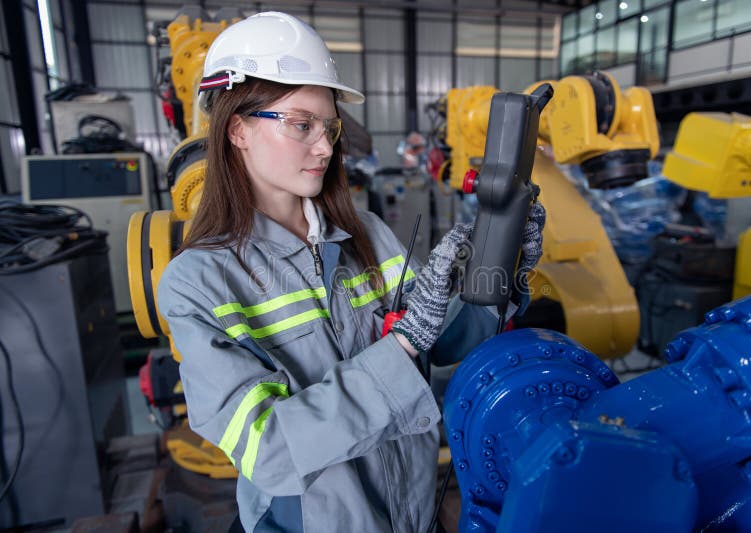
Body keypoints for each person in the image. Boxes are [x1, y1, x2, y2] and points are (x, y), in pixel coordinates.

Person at [157, 11, 546, 533]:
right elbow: (268, 449)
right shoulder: (198, 283)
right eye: (301, 125)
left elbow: (447, 342)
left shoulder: (365, 234)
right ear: (237, 129)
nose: (325, 147)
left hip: (413, 516)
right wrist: (403, 345)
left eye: (329, 127)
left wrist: (501, 269)